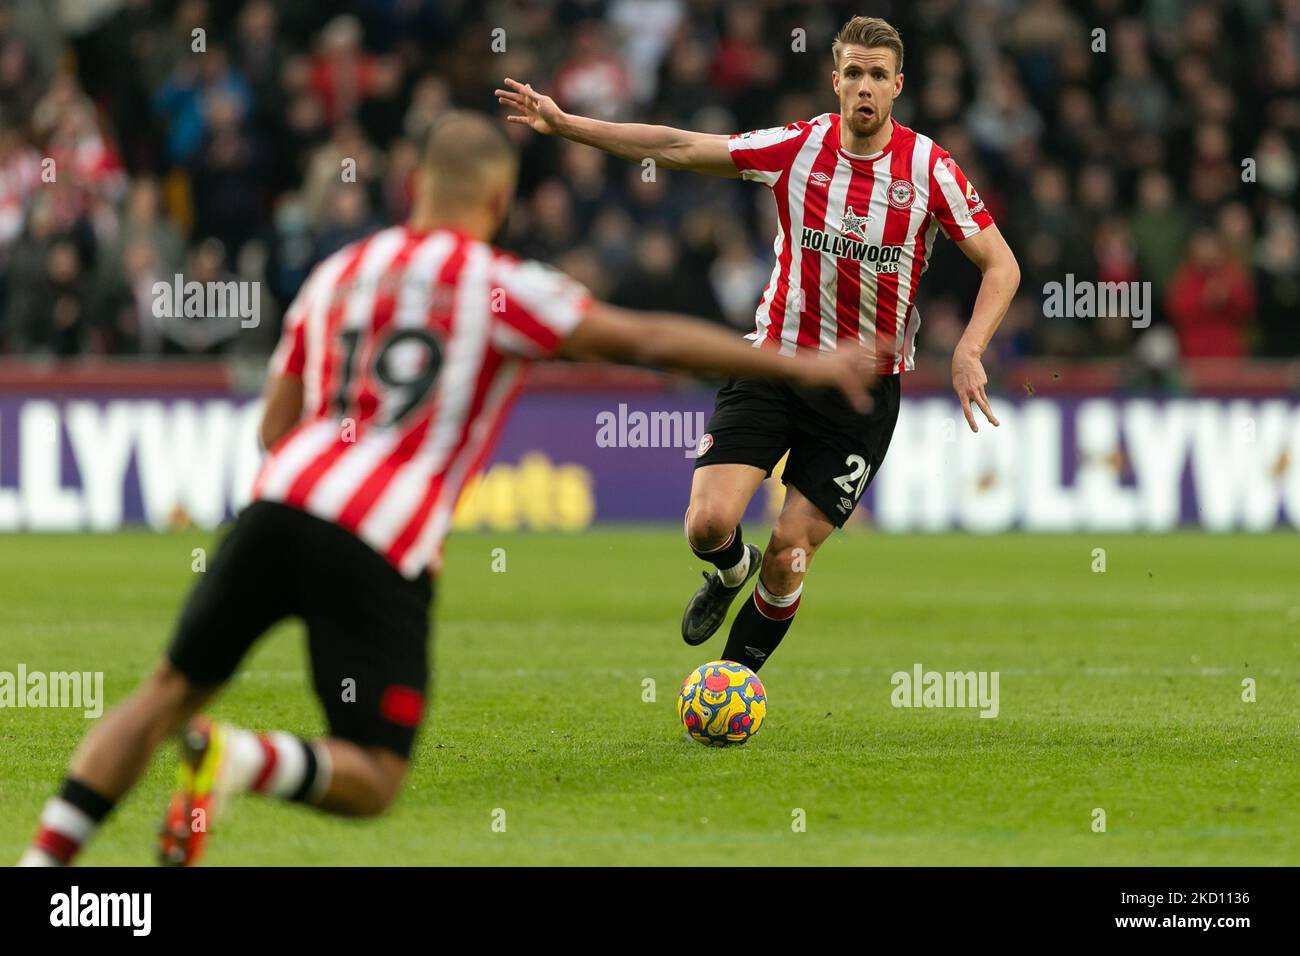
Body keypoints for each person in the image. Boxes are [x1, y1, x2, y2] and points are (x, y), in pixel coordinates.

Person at [18, 111, 874, 867]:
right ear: (498, 201)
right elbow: (646, 339)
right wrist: (795, 362)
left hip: (279, 504)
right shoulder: (503, 285)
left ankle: (45, 862)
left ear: (412, 185)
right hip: (381, 538)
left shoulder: (339, 271)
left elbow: (274, 428)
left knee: (165, 691)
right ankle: (242, 761)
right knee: (375, 774)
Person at [497, 15, 1020, 671]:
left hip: (858, 396)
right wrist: (570, 124)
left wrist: (969, 349)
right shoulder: (799, 148)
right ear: (835, 81)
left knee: (790, 552)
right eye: (853, 73)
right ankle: (725, 570)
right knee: (706, 526)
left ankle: (733, 680)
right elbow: (682, 145)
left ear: (897, 86)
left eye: (877, 76)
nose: (864, 86)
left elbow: (1001, 265)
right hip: (774, 363)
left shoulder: (929, 170)